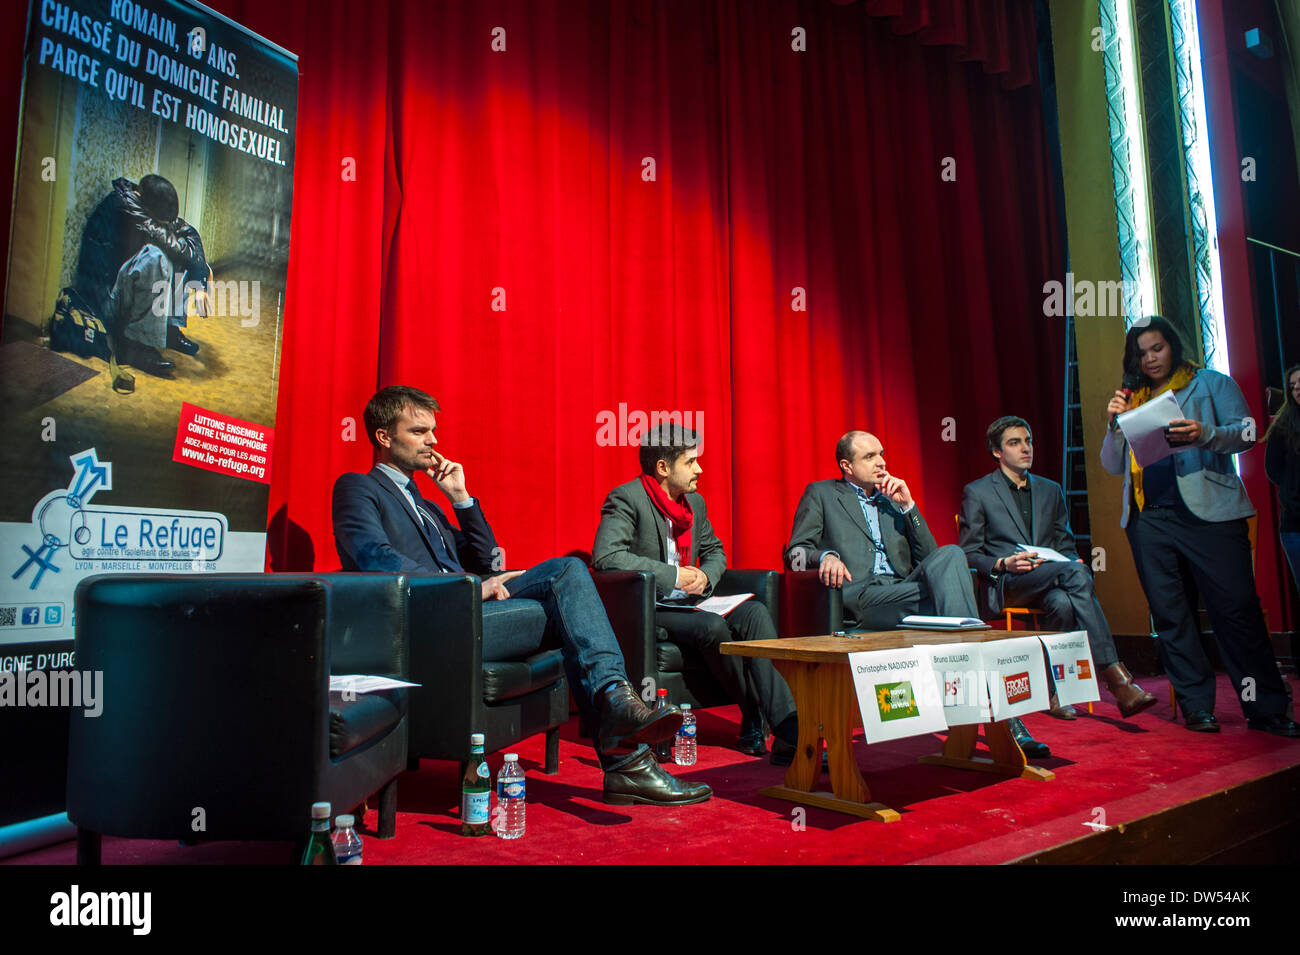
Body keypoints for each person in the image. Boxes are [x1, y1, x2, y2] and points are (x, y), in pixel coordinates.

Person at [332, 385, 713, 805]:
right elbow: (375, 558)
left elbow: (488, 561)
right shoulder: (357, 488)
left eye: (434, 431)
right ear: (384, 437)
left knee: (566, 594)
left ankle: (624, 745)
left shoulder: (427, 504)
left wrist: (460, 498)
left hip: (468, 614)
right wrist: (474, 588)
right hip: (431, 625)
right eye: (420, 431)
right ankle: (621, 726)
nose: (434, 441)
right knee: (566, 574)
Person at [785, 430, 1049, 756]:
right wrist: (826, 556)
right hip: (863, 598)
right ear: (847, 466)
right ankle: (997, 713)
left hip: (904, 593)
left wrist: (909, 507)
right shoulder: (823, 494)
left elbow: (932, 561)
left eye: (881, 453)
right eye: (869, 457)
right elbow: (795, 553)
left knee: (952, 553)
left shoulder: (891, 500)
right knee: (951, 584)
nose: (881, 462)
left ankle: (966, 682)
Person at [1101, 317, 1298, 736]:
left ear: (1173, 346)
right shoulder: (1130, 397)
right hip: (1148, 520)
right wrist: (1113, 427)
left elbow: (1248, 432)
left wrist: (1204, 433)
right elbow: (1111, 465)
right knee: (1173, 618)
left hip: (1209, 515)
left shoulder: (1210, 382)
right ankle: (1197, 708)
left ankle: (1264, 709)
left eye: (1157, 348)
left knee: (1237, 612)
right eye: (1142, 352)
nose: (1150, 358)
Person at [592, 424, 800, 764]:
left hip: (694, 601)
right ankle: (752, 711)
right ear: (663, 467)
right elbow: (607, 556)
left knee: (756, 613)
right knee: (711, 628)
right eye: (691, 462)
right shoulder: (627, 498)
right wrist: (673, 575)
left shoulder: (695, 504)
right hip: (653, 607)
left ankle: (790, 732)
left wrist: (705, 574)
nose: (699, 470)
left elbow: (716, 551)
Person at [959, 415, 1157, 720]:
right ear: (997, 452)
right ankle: (1117, 678)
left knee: (1063, 602)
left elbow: (1064, 543)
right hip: (1010, 584)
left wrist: (1070, 558)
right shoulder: (979, 491)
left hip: (1051, 580)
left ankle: (1053, 691)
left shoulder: (1051, 490)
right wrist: (1002, 563)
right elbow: (968, 554)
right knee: (1076, 575)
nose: (1026, 448)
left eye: (1028, 441)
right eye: (1015, 443)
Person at [73, 174, 208, 376]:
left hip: (125, 294)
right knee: (156, 257)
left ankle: (169, 331)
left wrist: (200, 286)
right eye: (162, 222)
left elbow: (189, 240)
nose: (165, 225)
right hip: (104, 301)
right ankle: (136, 346)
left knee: (176, 254)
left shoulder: (143, 203)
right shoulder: (124, 208)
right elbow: (178, 248)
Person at [1264, 363, 1300, 602]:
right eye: (1293, 386)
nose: (1297, 389)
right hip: (1296, 525)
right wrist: (1292, 490)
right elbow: (1273, 470)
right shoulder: (1282, 427)